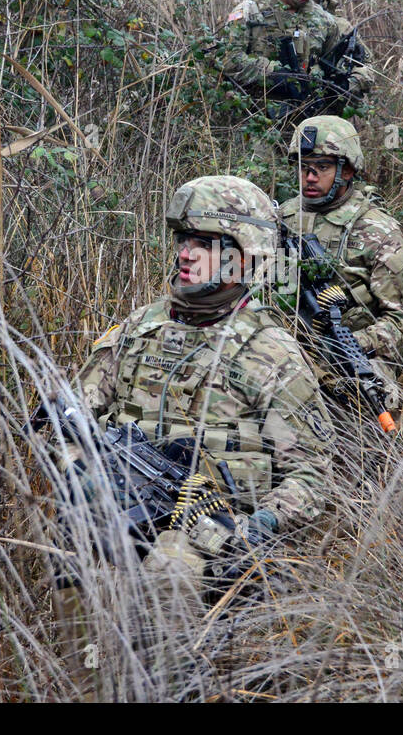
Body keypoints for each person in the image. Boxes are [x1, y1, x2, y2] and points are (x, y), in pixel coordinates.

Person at [68, 174, 335, 596]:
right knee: (76, 573)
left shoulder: (270, 351)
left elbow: (313, 472)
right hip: (116, 514)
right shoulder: (141, 327)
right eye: (182, 241)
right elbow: (72, 416)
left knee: (169, 574)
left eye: (205, 244)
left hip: (212, 538)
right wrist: (80, 471)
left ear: (243, 257)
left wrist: (261, 525)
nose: (185, 255)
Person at [278, 117, 403, 415]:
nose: (309, 177)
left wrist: (353, 343)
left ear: (346, 170)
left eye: (321, 168)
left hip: (356, 352)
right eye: (304, 167)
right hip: (288, 342)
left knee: (363, 400)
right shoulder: (282, 217)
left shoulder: (378, 230)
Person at [216, 0, 373, 115]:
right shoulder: (250, 12)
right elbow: (228, 60)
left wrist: (340, 84)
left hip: (309, 117)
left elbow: (339, 66)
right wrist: (274, 73)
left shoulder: (325, 21)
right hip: (254, 116)